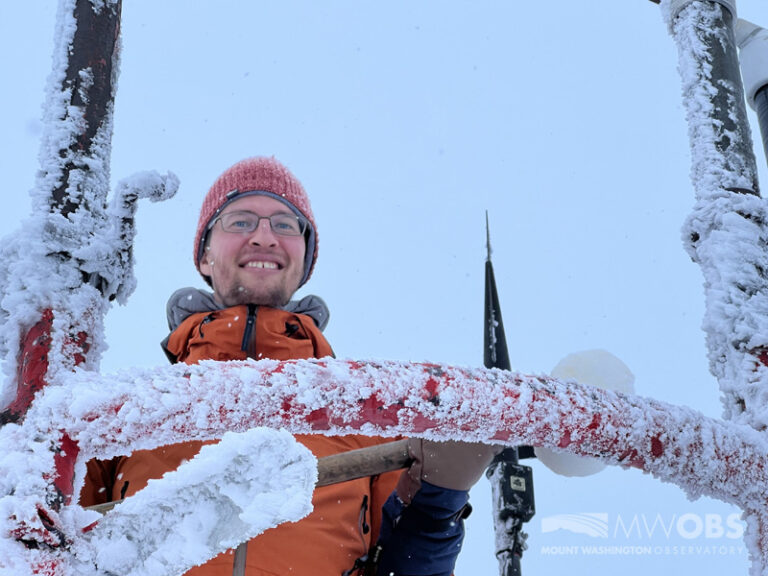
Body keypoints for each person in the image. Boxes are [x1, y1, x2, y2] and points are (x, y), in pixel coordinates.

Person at [81, 156, 498, 576]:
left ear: (304, 259)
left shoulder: (365, 414)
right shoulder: (127, 411)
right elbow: (47, 543)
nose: (264, 237)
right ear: (205, 255)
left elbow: (402, 566)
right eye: (240, 221)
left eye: (285, 224)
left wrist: (438, 499)